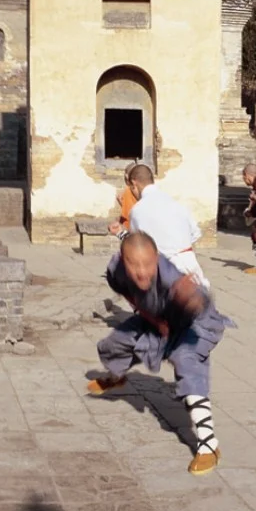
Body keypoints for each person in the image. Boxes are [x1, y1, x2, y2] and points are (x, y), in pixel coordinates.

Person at [90, 231, 237, 475]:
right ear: (122, 259)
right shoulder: (115, 269)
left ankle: (208, 446)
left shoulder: (172, 279)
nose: (141, 271)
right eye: (133, 264)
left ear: (156, 258)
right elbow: (123, 288)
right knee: (114, 343)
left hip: (193, 326)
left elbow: (199, 302)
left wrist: (190, 299)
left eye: (147, 264)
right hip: (156, 320)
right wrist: (148, 316)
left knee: (187, 366)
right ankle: (117, 376)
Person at [123, 163, 208, 291]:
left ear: (134, 184)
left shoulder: (137, 210)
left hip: (165, 271)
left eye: (131, 188)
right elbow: (195, 233)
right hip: (190, 265)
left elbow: (138, 245)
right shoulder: (176, 204)